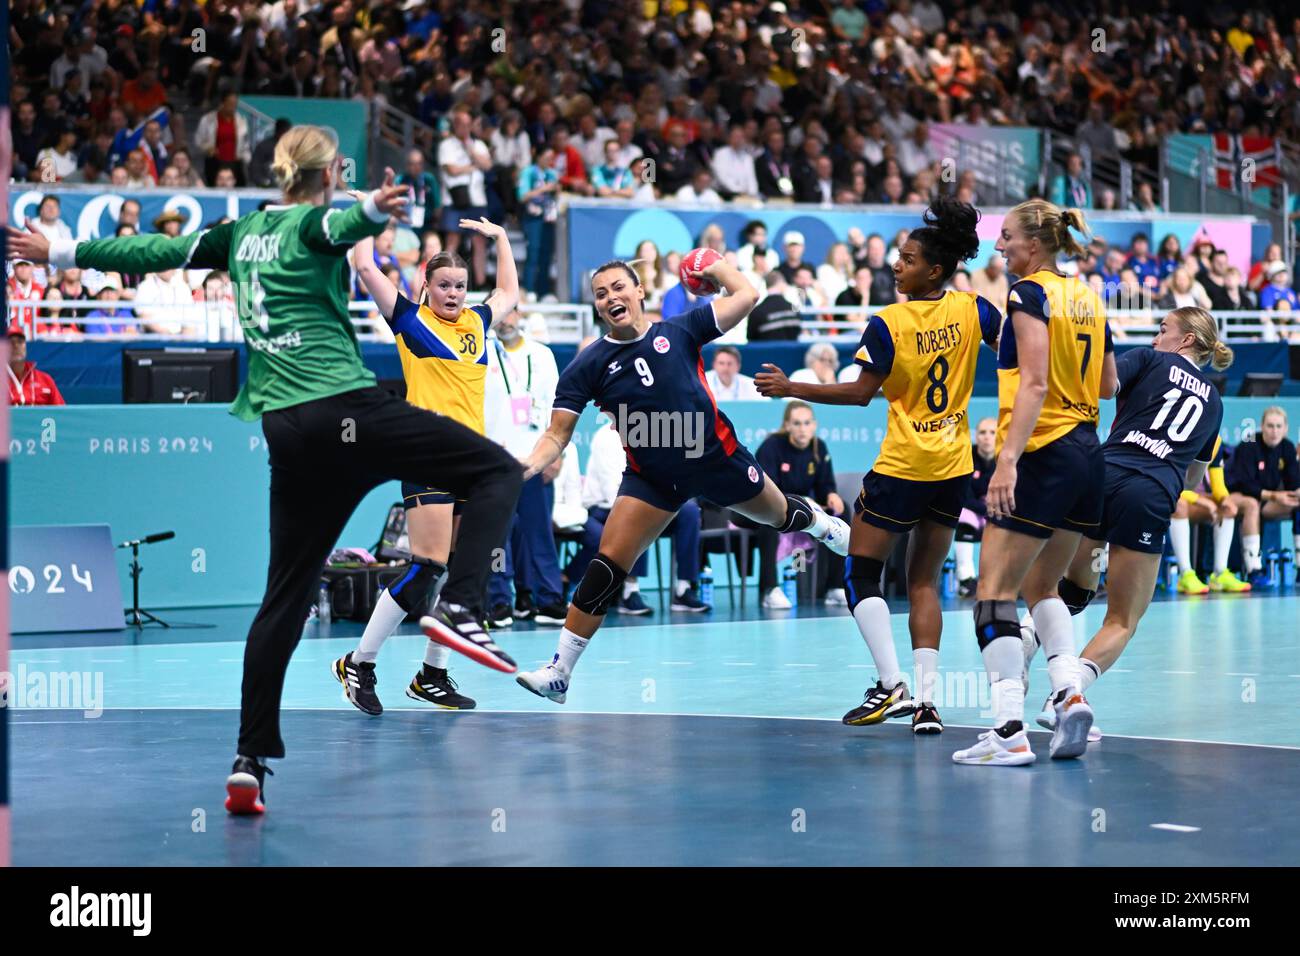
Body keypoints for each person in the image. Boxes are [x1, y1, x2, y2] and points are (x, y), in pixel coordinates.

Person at [7, 125, 523, 815]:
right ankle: (461, 605)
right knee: (498, 470)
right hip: (349, 411)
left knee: (282, 598)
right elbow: (344, 223)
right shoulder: (317, 223)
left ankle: (249, 760)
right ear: (323, 178)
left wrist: (63, 246)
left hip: (288, 431)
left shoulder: (238, 232)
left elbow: (156, 250)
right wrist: (374, 211)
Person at [513, 256, 850, 703]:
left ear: (639, 293)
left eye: (619, 288)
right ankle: (560, 672)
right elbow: (557, 434)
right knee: (607, 565)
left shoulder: (681, 329)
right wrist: (526, 466)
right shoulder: (587, 366)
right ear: (596, 307)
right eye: (600, 293)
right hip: (651, 479)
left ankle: (819, 525)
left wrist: (716, 266)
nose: (611, 297)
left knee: (781, 516)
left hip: (717, 459)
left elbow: (747, 295)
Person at [757, 197, 1000, 735]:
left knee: (861, 572)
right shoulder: (976, 309)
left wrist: (791, 386)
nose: (896, 265)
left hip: (903, 466)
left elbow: (862, 393)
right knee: (924, 582)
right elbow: (1017, 352)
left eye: (908, 259)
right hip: (954, 464)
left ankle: (892, 686)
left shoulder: (888, 322)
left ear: (933, 269)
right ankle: (929, 705)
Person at [953, 199, 1116, 767]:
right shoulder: (1090, 298)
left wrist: (1006, 461)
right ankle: (1069, 694)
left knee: (992, 592)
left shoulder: (1028, 293)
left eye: (1006, 237)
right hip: (1087, 454)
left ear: (1036, 244)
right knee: (1043, 590)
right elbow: (1109, 385)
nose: (999, 247)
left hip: (1044, 451)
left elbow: (1035, 383)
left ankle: (1008, 731)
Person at [336, 213, 519, 714]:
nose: (454, 293)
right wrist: (367, 215)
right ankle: (359, 662)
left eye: (460, 285)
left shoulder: (478, 323)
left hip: (472, 460)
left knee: (459, 571)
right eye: (444, 285)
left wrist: (501, 237)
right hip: (427, 454)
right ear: (427, 286)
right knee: (427, 567)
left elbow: (509, 293)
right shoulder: (411, 321)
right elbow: (366, 267)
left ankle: (432, 676)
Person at [1022, 308, 1231, 736]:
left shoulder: (1149, 360)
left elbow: (1105, 386)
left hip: (1103, 475)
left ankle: (1027, 636)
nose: (1156, 337)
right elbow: (1194, 474)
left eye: (1163, 329)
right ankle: (1068, 692)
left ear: (1186, 339)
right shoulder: (1214, 401)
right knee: (1122, 619)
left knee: (1075, 586)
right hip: (1149, 494)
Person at [484, 308, 568, 628]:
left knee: (540, 535)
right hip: (496, 461)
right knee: (496, 539)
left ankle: (549, 599)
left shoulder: (543, 355)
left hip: (537, 458)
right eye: (499, 314)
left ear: (520, 314)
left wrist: (556, 453)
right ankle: (498, 601)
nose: (505, 320)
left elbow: (559, 407)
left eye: (510, 313)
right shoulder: (481, 353)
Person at [736, 401, 848, 608]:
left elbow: (824, 485)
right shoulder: (772, 447)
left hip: (803, 508)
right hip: (767, 506)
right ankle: (770, 589)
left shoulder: (819, 447)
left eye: (806, 423)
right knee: (769, 518)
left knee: (841, 510)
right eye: (797, 423)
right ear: (787, 425)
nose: (802, 429)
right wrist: (805, 502)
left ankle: (835, 587)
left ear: (814, 425)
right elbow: (766, 490)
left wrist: (831, 494)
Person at [1225, 405, 1300, 587]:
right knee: (1251, 504)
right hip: (1237, 495)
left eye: (1278, 426)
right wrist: (1275, 496)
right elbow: (1245, 484)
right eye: (1270, 426)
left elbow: (1292, 482)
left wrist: (1297, 491)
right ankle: (1254, 570)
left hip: (1268, 501)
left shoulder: (1287, 447)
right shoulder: (1249, 443)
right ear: (1262, 426)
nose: (1274, 431)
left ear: (1286, 428)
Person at [1169, 439, 1251, 594]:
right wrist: (1200, 500)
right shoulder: (1181, 435)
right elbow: (1171, 483)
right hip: (1170, 497)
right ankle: (1185, 575)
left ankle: (1220, 573)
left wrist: (1225, 500)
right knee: (1179, 504)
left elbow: (1218, 485)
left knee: (1227, 508)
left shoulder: (1216, 442)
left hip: (1193, 501)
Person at [955, 417, 998, 596]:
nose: (987, 437)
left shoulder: (1007, 459)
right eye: (982, 432)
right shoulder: (966, 457)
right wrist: (987, 511)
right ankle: (966, 581)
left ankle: (1004, 579)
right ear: (976, 436)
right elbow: (964, 496)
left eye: (992, 433)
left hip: (1000, 513)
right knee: (964, 516)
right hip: (976, 513)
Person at [6, 324, 65, 405]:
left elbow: (62, 412)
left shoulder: (45, 379)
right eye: (11, 343)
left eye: (20, 342)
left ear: (25, 346)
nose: (16, 346)